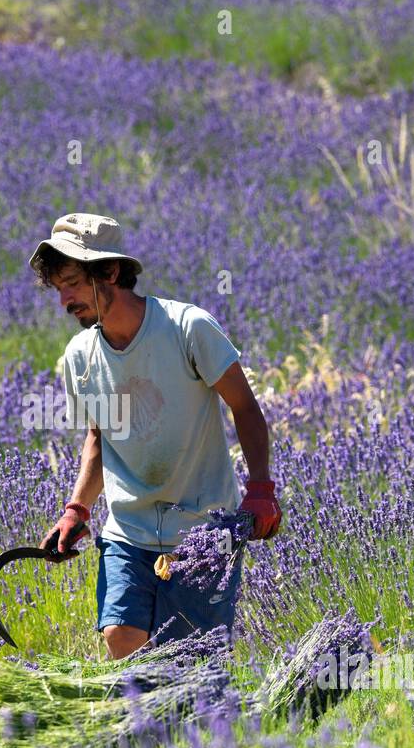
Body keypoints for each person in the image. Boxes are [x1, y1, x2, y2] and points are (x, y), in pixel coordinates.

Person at [31, 213, 282, 659]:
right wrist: (77, 509)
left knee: (193, 661)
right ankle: (139, 725)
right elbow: (98, 436)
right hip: (128, 528)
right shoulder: (79, 357)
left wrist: (260, 488)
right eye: (58, 288)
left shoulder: (189, 329)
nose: (64, 300)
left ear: (109, 271)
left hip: (203, 529)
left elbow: (244, 407)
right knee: (121, 638)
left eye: (71, 282)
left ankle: (193, 725)